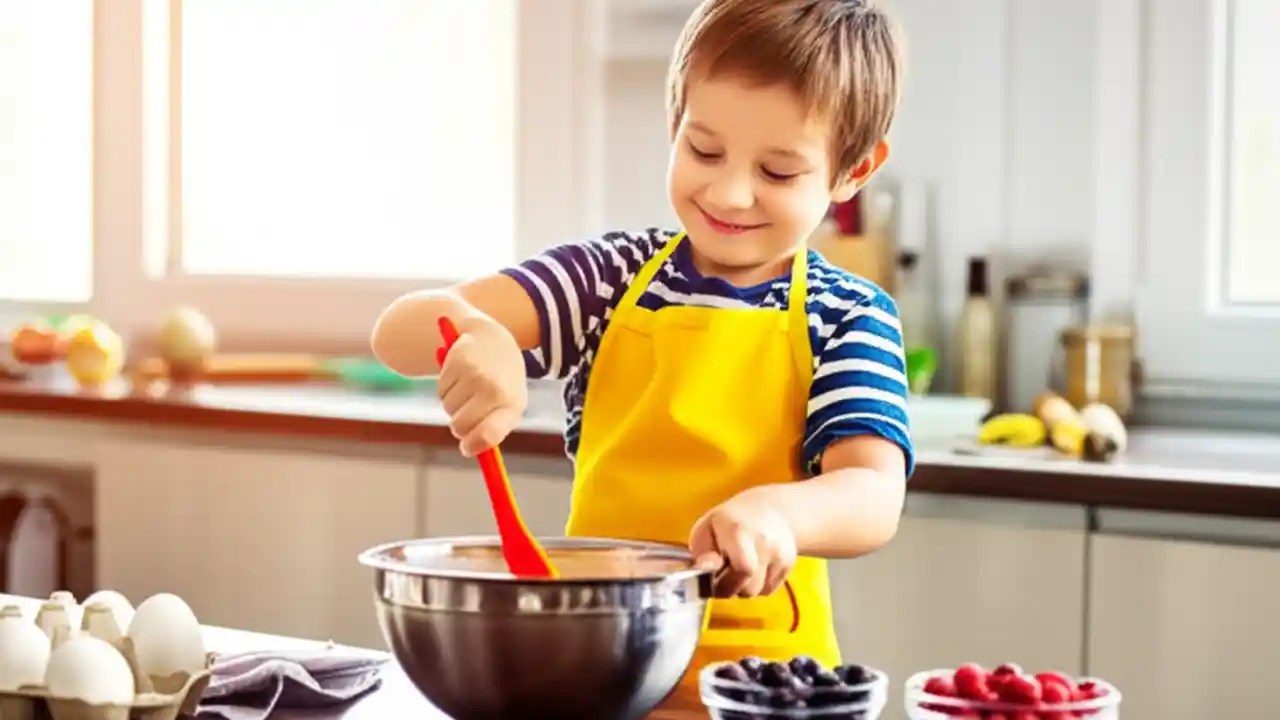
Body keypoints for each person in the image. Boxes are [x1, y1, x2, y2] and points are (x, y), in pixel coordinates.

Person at [371, 0, 913, 706]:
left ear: (853, 171)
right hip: (593, 672)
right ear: (675, 119)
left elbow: (873, 494)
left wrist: (782, 516)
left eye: (778, 172)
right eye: (705, 150)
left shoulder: (848, 316)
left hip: (758, 687)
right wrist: (476, 334)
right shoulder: (608, 280)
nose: (729, 191)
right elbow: (398, 333)